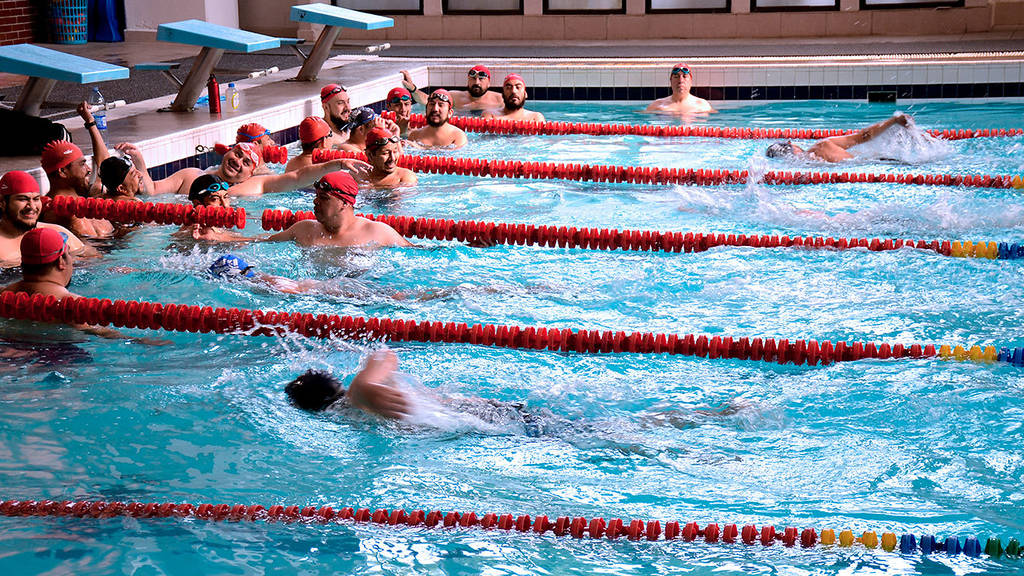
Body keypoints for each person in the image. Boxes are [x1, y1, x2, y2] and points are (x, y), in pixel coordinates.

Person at [285, 350, 751, 438]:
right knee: (595, 431)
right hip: (492, 420)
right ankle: (709, 417)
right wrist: (368, 357)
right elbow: (385, 356)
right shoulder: (362, 391)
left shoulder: (347, 416)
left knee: (590, 433)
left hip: (481, 427)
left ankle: (699, 423)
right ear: (336, 386)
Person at [2, 227, 167, 345]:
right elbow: (102, 332)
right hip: (59, 356)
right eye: (68, 254)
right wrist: (141, 341)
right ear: (61, 262)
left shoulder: (5, 294)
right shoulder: (72, 304)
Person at [150, 143, 361, 197]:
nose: (238, 162)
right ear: (227, 153)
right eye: (237, 154)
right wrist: (140, 164)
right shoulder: (190, 175)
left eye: (246, 162)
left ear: (251, 173)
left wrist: (337, 164)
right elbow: (150, 190)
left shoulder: (254, 185)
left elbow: (297, 177)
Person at [264, 171, 413, 248]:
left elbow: (418, 252)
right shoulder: (303, 229)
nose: (315, 201)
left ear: (345, 203)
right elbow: (262, 242)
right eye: (317, 196)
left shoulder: (377, 232)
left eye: (324, 198)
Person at [38, 112, 116, 240]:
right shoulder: (55, 212)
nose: (89, 169)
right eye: (82, 164)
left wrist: (90, 122)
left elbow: (104, 163)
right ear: (63, 172)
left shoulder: (87, 200)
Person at [0, 171, 92, 268]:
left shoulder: (57, 232)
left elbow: (93, 259)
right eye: (23, 199)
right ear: (1, 203)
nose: (32, 206)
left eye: (36, 199)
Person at [765, 113, 912, 163]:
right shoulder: (822, 146)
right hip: (880, 164)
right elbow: (864, 136)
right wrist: (893, 121)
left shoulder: (804, 168)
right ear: (792, 145)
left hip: (872, 166)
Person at [172, 174, 248, 242]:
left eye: (226, 197)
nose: (225, 205)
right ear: (197, 203)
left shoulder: (219, 224)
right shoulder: (197, 229)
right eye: (215, 199)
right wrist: (258, 239)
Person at [402, 66, 504, 111]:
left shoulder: (500, 100)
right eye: (473, 79)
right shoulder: (454, 96)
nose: (476, 82)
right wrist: (413, 89)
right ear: (468, 80)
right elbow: (427, 100)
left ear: (489, 83)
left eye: (481, 79)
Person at [645, 63, 715, 115]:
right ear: (670, 80)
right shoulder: (657, 105)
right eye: (676, 77)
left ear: (691, 81)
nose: (680, 80)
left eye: (684, 76)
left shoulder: (702, 105)